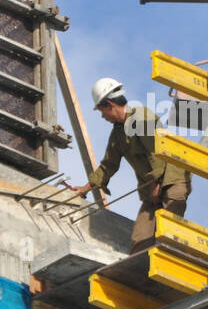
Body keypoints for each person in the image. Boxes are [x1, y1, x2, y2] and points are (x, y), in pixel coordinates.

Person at [70, 77, 190, 253]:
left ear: (109, 104)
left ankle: (175, 264)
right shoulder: (118, 133)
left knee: (169, 232)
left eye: (102, 111)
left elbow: (157, 153)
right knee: (140, 241)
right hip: (151, 187)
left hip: (173, 178)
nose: (103, 117)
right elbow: (108, 165)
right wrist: (85, 189)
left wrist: (156, 185)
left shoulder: (142, 118)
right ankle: (142, 274)